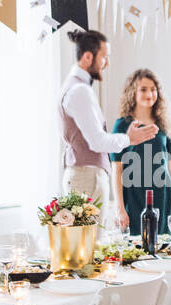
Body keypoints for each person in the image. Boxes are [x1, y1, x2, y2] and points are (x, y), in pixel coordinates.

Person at [59, 29, 157, 210]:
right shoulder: (80, 91)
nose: (107, 63)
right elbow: (97, 141)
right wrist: (129, 139)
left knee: (88, 238)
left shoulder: (73, 86)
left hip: (83, 175)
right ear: (88, 57)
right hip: (87, 178)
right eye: (104, 57)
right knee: (92, 238)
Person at [111, 69, 171, 235]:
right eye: (143, 89)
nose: (149, 93)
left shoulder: (166, 125)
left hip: (163, 195)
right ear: (132, 93)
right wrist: (120, 208)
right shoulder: (122, 125)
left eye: (153, 89)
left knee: (163, 247)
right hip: (133, 196)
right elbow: (117, 169)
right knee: (135, 250)